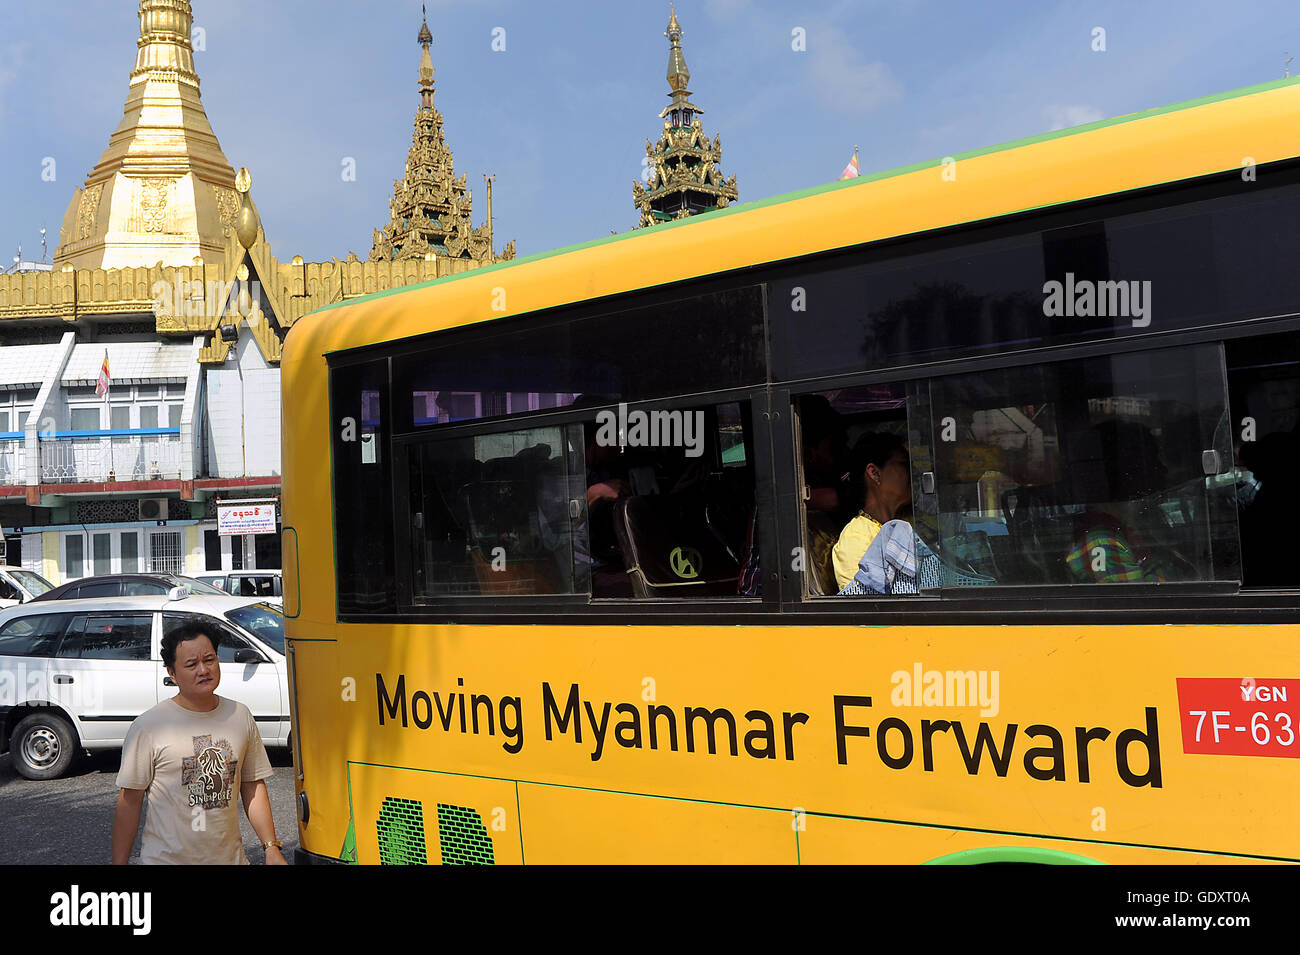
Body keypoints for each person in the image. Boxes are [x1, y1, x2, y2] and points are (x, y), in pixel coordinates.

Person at [111, 621, 284, 865]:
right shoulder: (149, 726)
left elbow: (252, 784)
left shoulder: (240, 715)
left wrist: (271, 847)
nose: (203, 670)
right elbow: (130, 800)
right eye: (191, 664)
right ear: (172, 673)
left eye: (209, 660)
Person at [832, 433, 913, 590]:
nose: (913, 472)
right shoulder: (855, 539)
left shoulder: (911, 520)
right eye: (904, 464)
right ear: (875, 473)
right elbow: (863, 601)